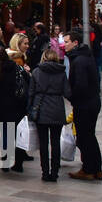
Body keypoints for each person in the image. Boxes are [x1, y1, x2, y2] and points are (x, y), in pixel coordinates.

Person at [63, 29, 102, 181]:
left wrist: (71, 96)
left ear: (75, 43)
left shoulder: (79, 60)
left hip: (85, 104)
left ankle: (89, 169)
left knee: (84, 137)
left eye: (66, 42)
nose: (64, 45)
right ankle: (96, 168)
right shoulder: (85, 56)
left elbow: (80, 85)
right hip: (91, 101)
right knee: (89, 136)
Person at [0, 44, 29, 172]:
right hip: (18, 106)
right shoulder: (16, 67)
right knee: (19, 134)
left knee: (5, 134)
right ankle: (19, 162)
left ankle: (6, 160)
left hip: (2, 109)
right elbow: (27, 80)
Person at [28, 48, 69, 182]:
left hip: (41, 108)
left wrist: (29, 109)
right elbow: (67, 92)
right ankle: (55, 172)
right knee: (55, 142)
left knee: (43, 143)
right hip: (57, 108)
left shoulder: (36, 71)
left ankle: (45, 172)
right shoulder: (61, 73)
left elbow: (31, 93)